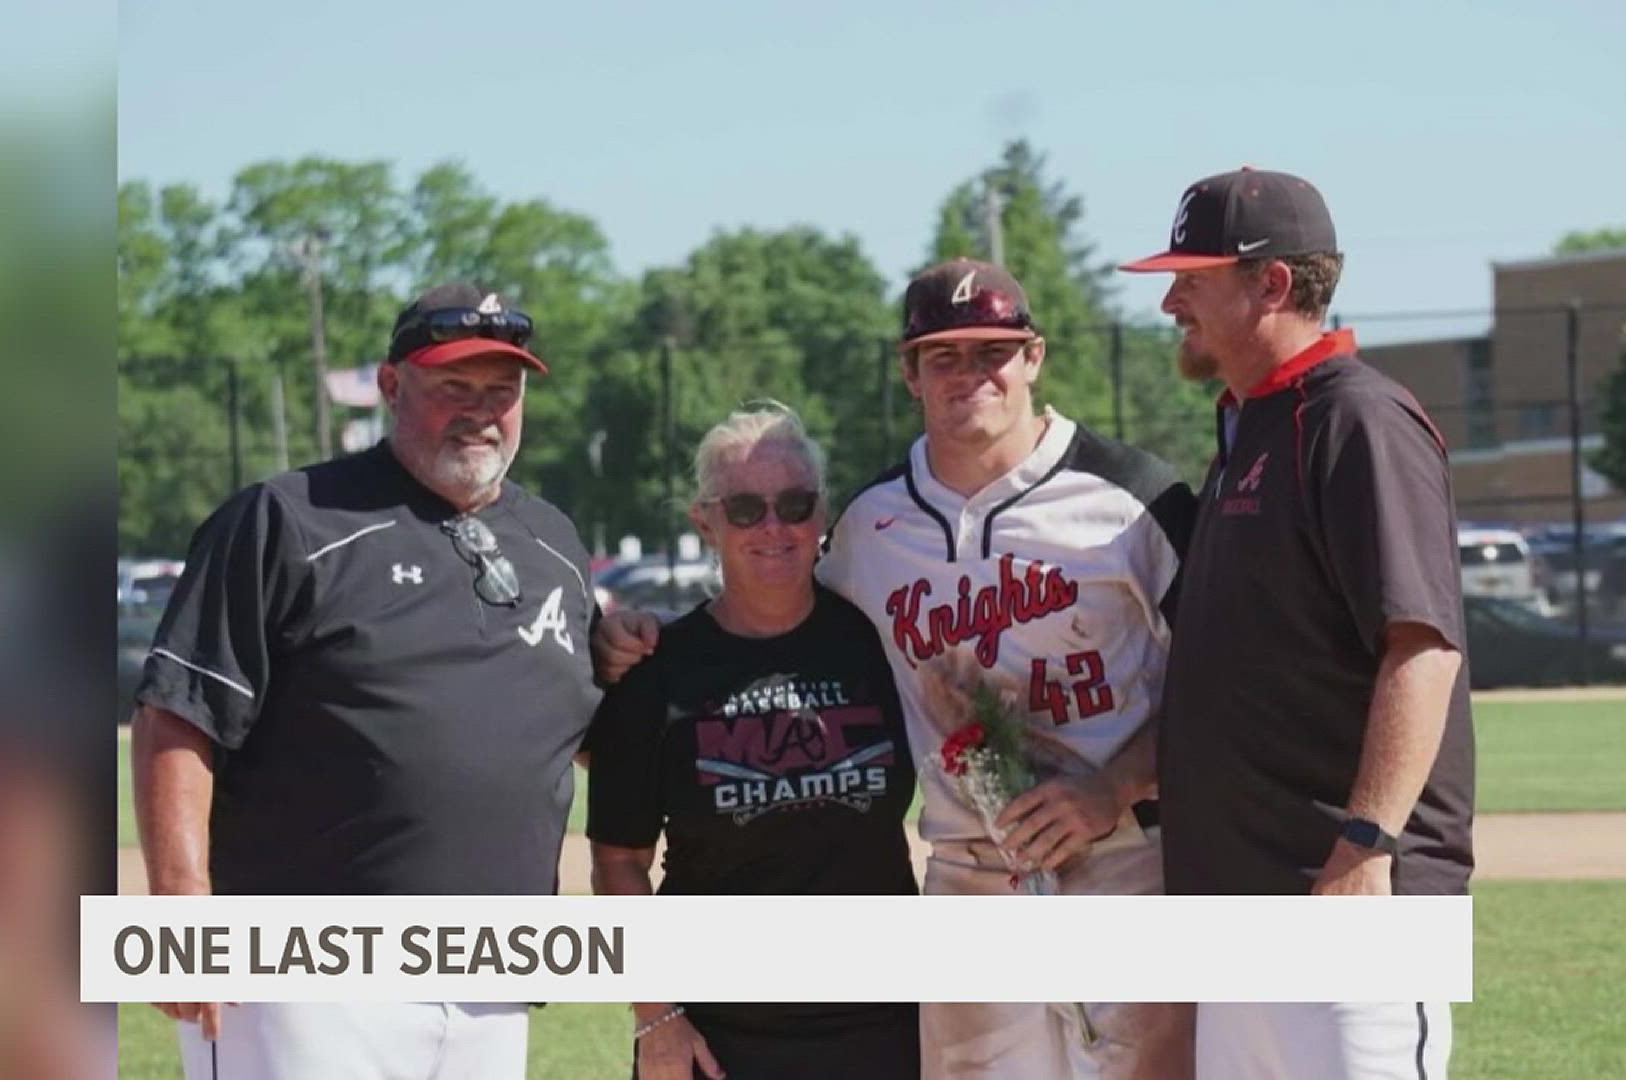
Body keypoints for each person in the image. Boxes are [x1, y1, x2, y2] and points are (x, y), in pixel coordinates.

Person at [598, 259, 1198, 1079]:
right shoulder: (872, 527)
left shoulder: (1137, 498)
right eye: (942, 354)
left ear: (1034, 356)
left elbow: (1227, 692)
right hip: (967, 886)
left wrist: (1116, 786)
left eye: (992, 349)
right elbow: (765, 613)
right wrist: (643, 642)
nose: (970, 373)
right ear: (908, 372)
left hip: (1126, 866)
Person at [130, 282, 601, 1080]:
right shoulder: (289, 518)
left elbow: (581, 727)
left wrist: (634, 654)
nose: (482, 409)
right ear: (390, 385)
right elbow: (179, 714)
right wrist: (183, 907)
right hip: (302, 979)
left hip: (495, 971)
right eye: (454, 384)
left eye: (503, 389)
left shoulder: (552, 542)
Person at [1120, 167, 1475, 1078]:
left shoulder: (1356, 419)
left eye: (1191, 278)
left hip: (1344, 904)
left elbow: (1423, 650)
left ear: (1270, 283)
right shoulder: (1252, 424)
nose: (1170, 301)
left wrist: (1365, 848)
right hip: (1241, 912)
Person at [585, 404, 921, 1080]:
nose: (774, 527)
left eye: (795, 504)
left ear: (822, 514)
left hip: (882, 1027)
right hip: (717, 1036)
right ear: (704, 521)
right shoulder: (660, 668)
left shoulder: (878, 642)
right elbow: (618, 861)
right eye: (744, 508)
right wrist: (657, 1015)